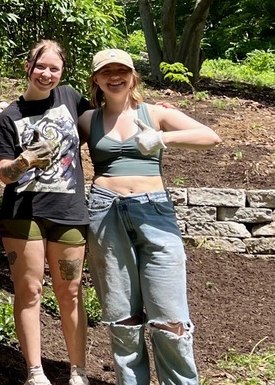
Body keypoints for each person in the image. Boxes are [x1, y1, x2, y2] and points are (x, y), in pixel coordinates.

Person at [78, 49, 220, 385]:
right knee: (121, 316)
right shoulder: (88, 120)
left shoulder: (154, 113)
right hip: (104, 213)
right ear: (96, 79)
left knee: (170, 317)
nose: (115, 76)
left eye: (121, 70)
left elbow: (211, 137)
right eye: (106, 71)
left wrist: (162, 138)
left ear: (133, 76)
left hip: (154, 211)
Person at [0, 41, 91, 385]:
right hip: (22, 215)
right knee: (29, 290)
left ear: (62, 72)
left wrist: (145, 111)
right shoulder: (10, 116)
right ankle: (35, 372)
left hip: (69, 211)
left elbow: (110, 120)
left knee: (70, 291)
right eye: (40, 66)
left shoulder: (71, 99)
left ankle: (78, 371)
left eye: (54, 69)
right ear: (28, 66)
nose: (46, 74)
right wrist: (23, 161)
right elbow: (2, 173)